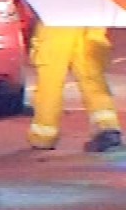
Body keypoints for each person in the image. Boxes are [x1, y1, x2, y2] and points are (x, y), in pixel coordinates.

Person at [27, 24, 122, 152]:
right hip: (90, 20)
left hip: (56, 22)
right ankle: (107, 128)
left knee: (50, 81)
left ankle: (43, 136)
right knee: (92, 76)